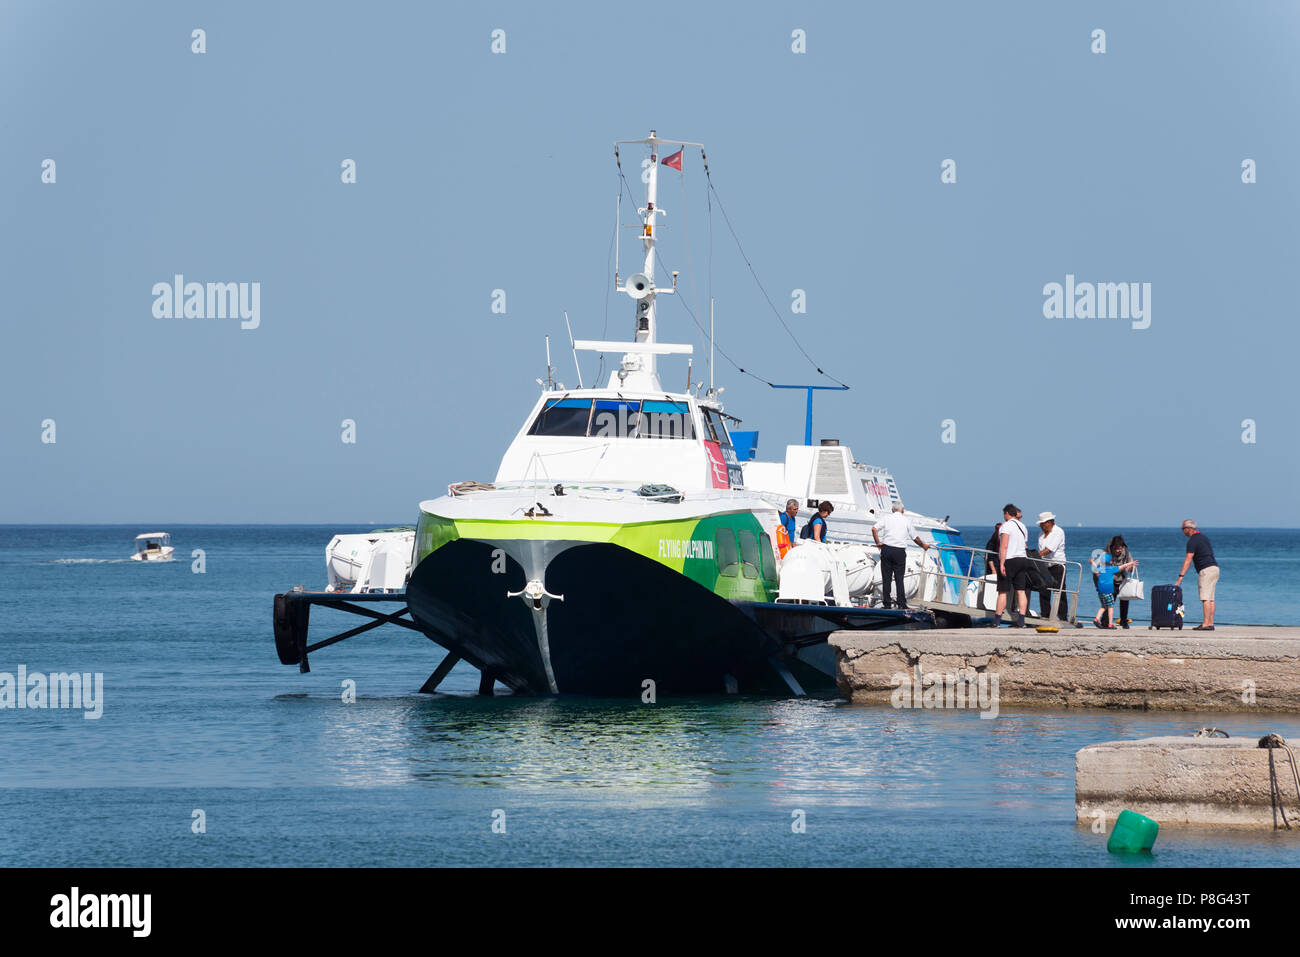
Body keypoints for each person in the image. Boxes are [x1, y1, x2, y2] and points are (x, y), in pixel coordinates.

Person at [872, 501, 931, 610]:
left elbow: (874, 528)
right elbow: (915, 538)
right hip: (899, 552)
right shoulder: (906, 521)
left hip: (886, 549)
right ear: (902, 510)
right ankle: (901, 604)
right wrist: (923, 546)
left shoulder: (887, 518)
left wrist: (878, 542)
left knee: (886, 578)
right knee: (899, 578)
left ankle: (887, 604)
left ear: (892, 510)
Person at [1176, 520, 1218, 630]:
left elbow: (1188, 559)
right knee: (1211, 598)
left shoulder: (1192, 541)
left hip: (1206, 570)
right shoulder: (1203, 537)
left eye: (1183, 529)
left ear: (1188, 529)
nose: (1182, 531)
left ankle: (1205, 623)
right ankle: (1210, 623)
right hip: (1214, 568)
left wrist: (1181, 576)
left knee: (1205, 598)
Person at [997, 504, 1031, 627]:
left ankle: (997, 621)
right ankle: (1021, 620)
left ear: (1007, 513)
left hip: (1010, 560)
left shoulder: (1006, 526)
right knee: (1020, 591)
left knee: (1003, 591)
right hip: (1022, 559)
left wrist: (1001, 563)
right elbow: (1024, 544)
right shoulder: (1023, 526)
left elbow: (1004, 545)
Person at [1034, 511, 1071, 623]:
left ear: (1049, 522)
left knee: (1059, 591)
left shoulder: (1058, 532)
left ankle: (1062, 616)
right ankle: (1045, 614)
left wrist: (1035, 555)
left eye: (1043, 523)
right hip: (1045, 565)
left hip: (1057, 565)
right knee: (1043, 589)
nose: (1041, 526)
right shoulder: (1040, 535)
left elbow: (1049, 549)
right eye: (1040, 524)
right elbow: (1042, 550)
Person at [1108, 535, 1139, 629]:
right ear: (1112, 547)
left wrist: (1130, 567)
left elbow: (1131, 561)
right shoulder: (1108, 553)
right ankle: (1106, 621)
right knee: (1109, 602)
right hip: (1111, 580)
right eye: (1116, 549)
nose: (1118, 551)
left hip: (1122, 579)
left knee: (1125, 600)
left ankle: (1123, 620)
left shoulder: (1126, 552)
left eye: (1120, 549)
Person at [1092, 549, 1118, 628]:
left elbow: (1095, 566)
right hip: (1108, 591)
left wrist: (1092, 561)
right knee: (1110, 607)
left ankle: (1096, 619)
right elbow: (1122, 567)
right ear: (1110, 562)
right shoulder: (1111, 569)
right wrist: (1130, 563)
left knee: (1103, 606)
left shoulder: (1100, 568)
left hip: (1101, 591)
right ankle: (1110, 624)